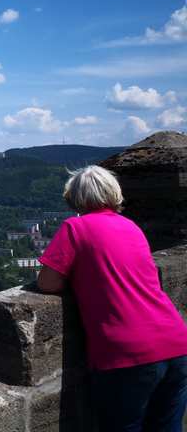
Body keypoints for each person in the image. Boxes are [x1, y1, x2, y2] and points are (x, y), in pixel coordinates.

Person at [37, 165, 187, 432]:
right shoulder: (131, 227)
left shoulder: (75, 227)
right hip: (176, 342)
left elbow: (47, 283)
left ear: (75, 198)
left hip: (129, 352)